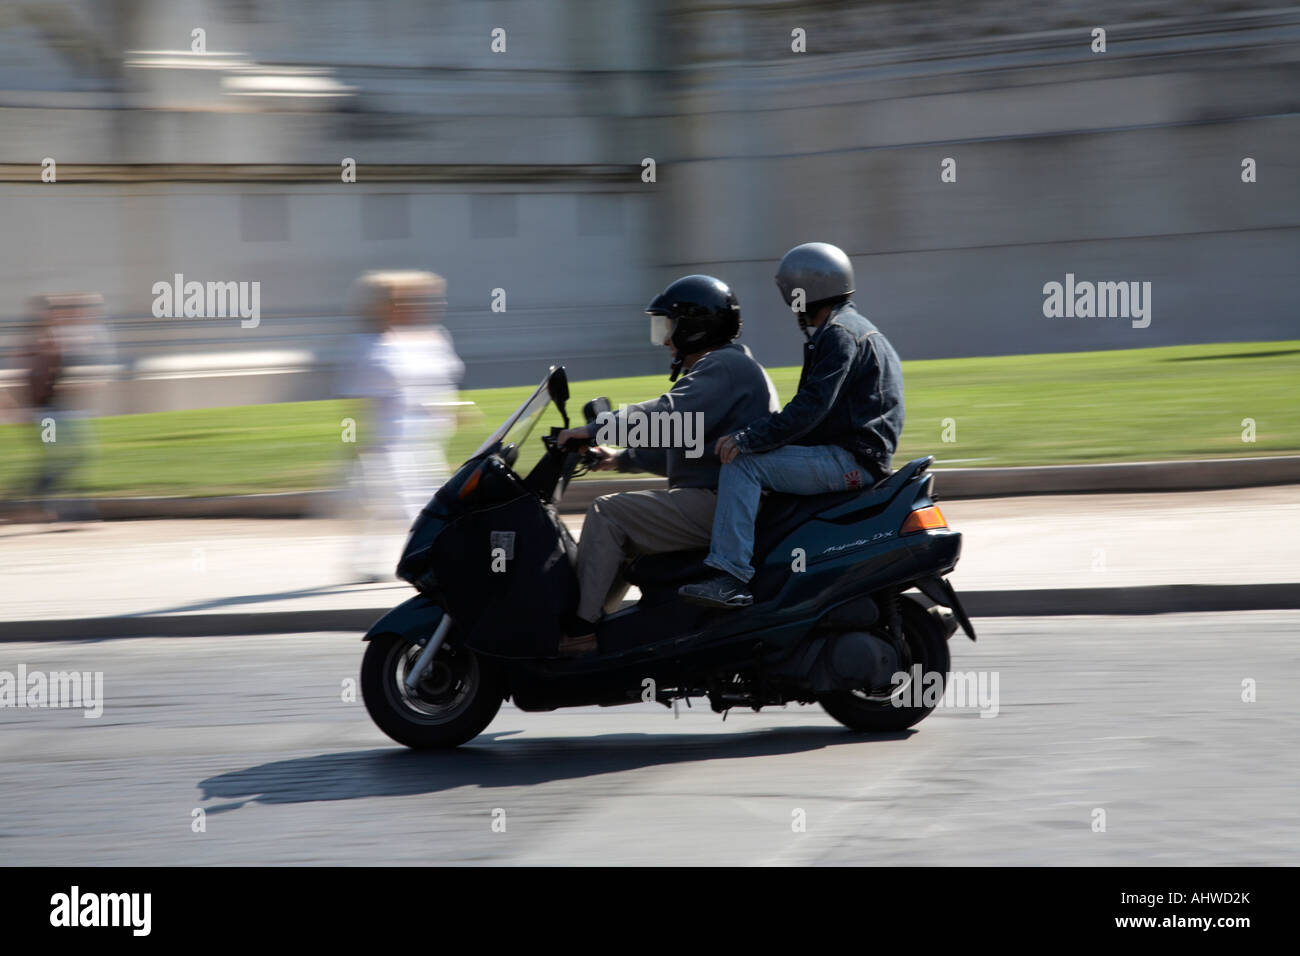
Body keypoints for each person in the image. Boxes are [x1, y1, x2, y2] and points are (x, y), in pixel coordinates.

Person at [554, 275, 779, 655]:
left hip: (723, 503)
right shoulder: (731, 366)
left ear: (695, 329)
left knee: (608, 513)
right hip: (724, 499)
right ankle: (595, 624)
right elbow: (688, 438)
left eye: (669, 327)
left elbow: (668, 418)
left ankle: (579, 631)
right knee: (625, 530)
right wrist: (620, 459)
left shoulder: (723, 366)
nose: (665, 340)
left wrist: (593, 429)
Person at [678, 242, 905, 609]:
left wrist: (751, 438)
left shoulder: (839, 335)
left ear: (804, 291)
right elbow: (814, 413)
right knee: (757, 459)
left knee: (743, 463)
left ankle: (730, 575)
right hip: (853, 453)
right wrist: (763, 437)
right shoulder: (850, 328)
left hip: (850, 461)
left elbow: (811, 408)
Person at [342, 271, 465, 580]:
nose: (419, 306)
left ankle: (362, 562)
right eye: (402, 301)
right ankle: (437, 564)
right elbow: (358, 400)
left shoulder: (432, 338)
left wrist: (452, 409)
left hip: (428, 436)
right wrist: (359, 442)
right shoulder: (367, 345)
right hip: (391, 438)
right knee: (415, 504)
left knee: (387, 503)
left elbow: (438, 386)